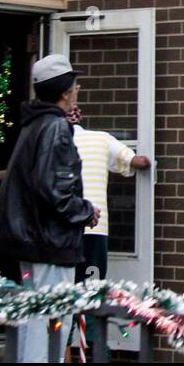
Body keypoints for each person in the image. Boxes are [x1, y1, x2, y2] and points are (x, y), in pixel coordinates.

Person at [0, 54, 98, 363]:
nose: (77, 90)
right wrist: (86, 211)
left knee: (30, 318)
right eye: (75, 86)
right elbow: (55, 191)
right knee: (51, 322)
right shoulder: (55, 129)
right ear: (65, 93)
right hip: (49, 242)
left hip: (27, 242)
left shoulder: (35, 124)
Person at [64, 99, 150, 284]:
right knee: (91, 289)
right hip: (95, 228)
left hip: (62, 228)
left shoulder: (53, 141)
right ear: (80, 118)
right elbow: (139, 162)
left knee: (61, 288)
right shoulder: (102, 139)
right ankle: (88, 314)